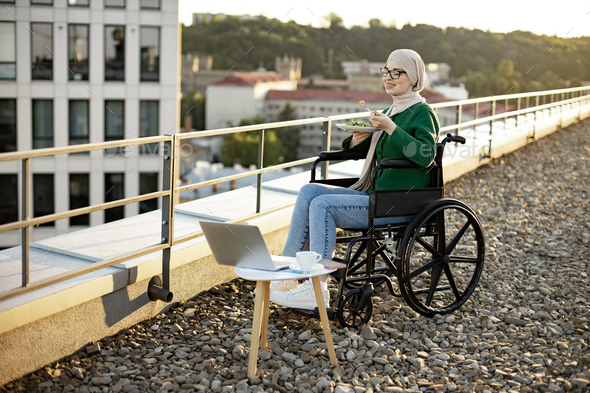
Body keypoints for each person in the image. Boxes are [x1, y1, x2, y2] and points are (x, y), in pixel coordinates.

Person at [269, 49, 440, 309]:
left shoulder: (421, 113)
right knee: (308, 191)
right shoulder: (390, 110)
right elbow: (366, 151)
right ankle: (289, 274)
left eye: (397, 72)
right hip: (373, 194)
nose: (388, 77)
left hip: (397, 203)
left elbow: (426, 156)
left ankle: (318, 287)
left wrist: (390, 128)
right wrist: (357, 137)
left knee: (322, 205)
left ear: (414, 76)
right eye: (386, 71)